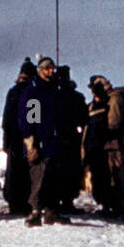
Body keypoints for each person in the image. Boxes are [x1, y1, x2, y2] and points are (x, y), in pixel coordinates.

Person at [16, 56, 67, 226]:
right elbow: (30, 119)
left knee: (54, 178)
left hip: (54, 142)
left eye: (52, 68)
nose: (50, 71)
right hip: (40, 143)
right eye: (47, 68)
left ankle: (51, 211)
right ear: (40, 70)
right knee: (39, 178)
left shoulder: (54, 89)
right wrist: (31, 141)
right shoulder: (34, 91)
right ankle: (35, 212)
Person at [92, 76, 124, 219]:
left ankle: (119, 208)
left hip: (115, 144)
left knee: (117, 175)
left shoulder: (114, 100)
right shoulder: (121, 98)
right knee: (119, 174)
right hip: (119, 143)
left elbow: (113, 123)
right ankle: (119, 207)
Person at [2, 58, 36, 215]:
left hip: (13, 137)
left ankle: (13, 203)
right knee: (28, 171)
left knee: (13, 171)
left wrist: (6, 139)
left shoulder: (12, 91)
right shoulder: (33, 92)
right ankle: (26, 202)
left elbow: (6, 119)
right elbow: (33, 118)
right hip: (26, 137)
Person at [55, 65, 88, 213]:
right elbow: (84, 119)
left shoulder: (52, 95)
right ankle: (68, 201)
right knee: (71, 171)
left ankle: (57, 202)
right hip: (72, 139)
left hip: (57, 139)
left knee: (58, 171)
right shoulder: (78, 97)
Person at [84, 76, 110, 211]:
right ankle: (101, 201)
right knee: (95, 175)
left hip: (100, 147)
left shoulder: (105, 107)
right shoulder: (90, 106)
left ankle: (105, 204)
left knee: (102, 177)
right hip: (91, 147)